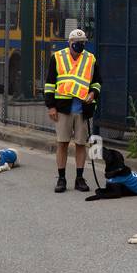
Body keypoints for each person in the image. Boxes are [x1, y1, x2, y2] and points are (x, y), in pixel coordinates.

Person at [44, 28, 101, 192]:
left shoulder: (90, 59)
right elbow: (49, 83)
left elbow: (97, 81)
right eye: (76, 43)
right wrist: (51, 106)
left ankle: (79, 178)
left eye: (82, 43)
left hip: (83, 109)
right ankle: (61, 179)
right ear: (69, 42)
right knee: (62, 143)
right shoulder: (57, 57)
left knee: (81, 144)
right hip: (63, 108)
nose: (79, 46)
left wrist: (93, 93)